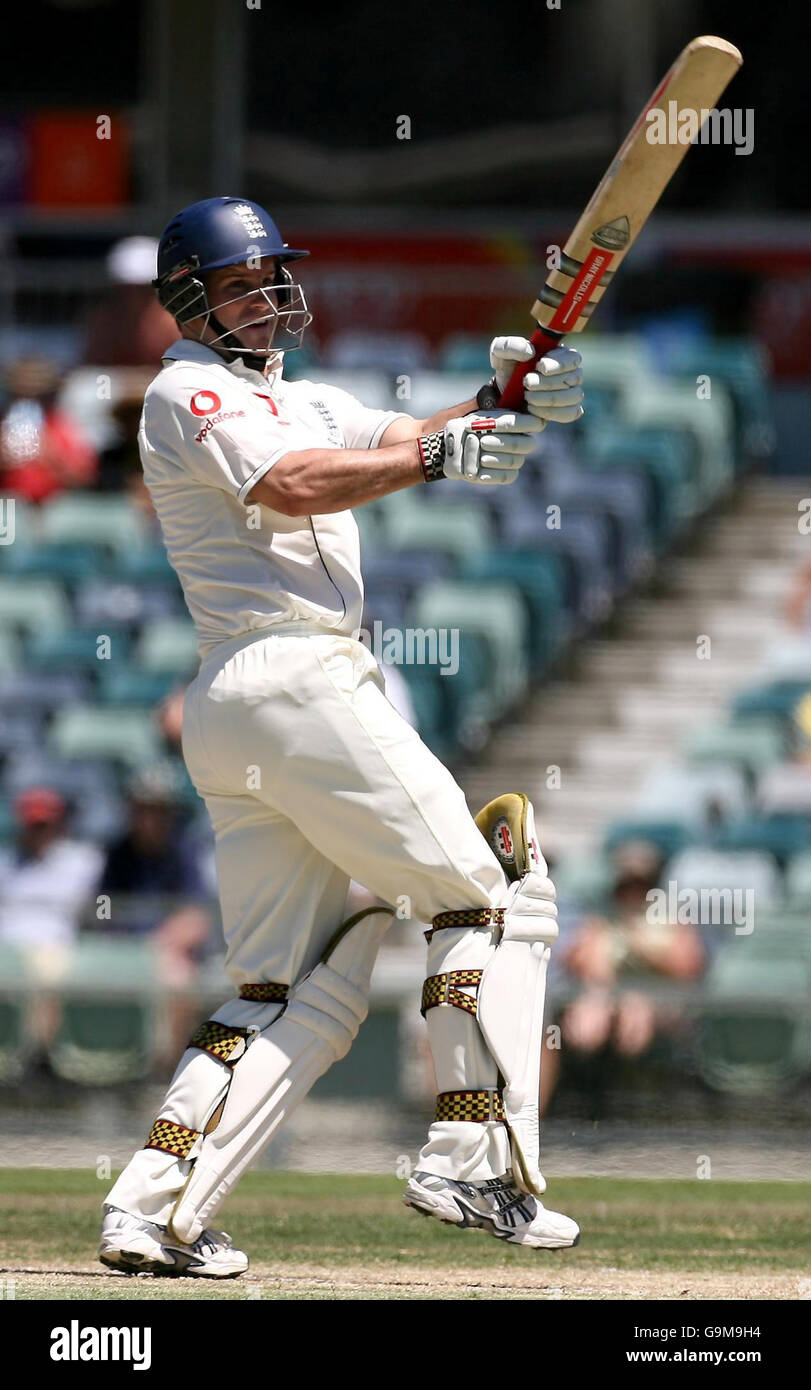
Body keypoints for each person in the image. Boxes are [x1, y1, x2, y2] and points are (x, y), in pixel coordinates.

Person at [99, 196, 585, 1278]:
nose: (269, 299)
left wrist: (512, 394)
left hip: (246, 702)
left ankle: (152, 1208)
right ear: (189, 298)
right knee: (487, 895)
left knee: (288, 985)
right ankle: (470, 1157)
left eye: (274, 278)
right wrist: (444, 455)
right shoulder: (191, 387)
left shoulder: (296, 396)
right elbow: (292, 486)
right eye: (242, 284)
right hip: (292, 673)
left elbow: (407, 434)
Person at [0, 358, 97, 504]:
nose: (29, 400)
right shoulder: (4, 429)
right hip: (9, 505)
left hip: (55, 506)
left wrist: (51, 456)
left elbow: (85, 477)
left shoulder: (62, 427)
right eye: (21, 394)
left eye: (37, 394)